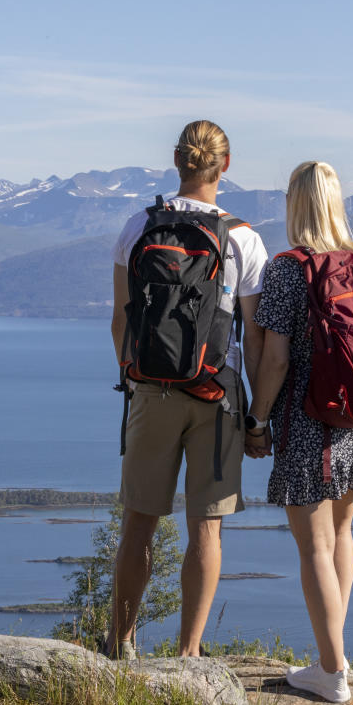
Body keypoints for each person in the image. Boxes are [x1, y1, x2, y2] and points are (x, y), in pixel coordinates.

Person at [106, 119, 269, 659]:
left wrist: (139, 380)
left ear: (177, 162)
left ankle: (121, 646)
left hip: (150, 391)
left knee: (138, 524)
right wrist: (259, 417)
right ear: (225, 167)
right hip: (216, 398)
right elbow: (253, 338)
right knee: (207, 530)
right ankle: (188, 655)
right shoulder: (243, 238)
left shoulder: (137, 227)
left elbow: (119, 323)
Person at [244, 161, 353, 702]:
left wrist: (256, 421)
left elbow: (276, 358)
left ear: (295, 204)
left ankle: (331, 672)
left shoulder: (290, 269)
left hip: (307, 423)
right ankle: (332, 657)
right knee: (341, 536)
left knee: (313, 548)